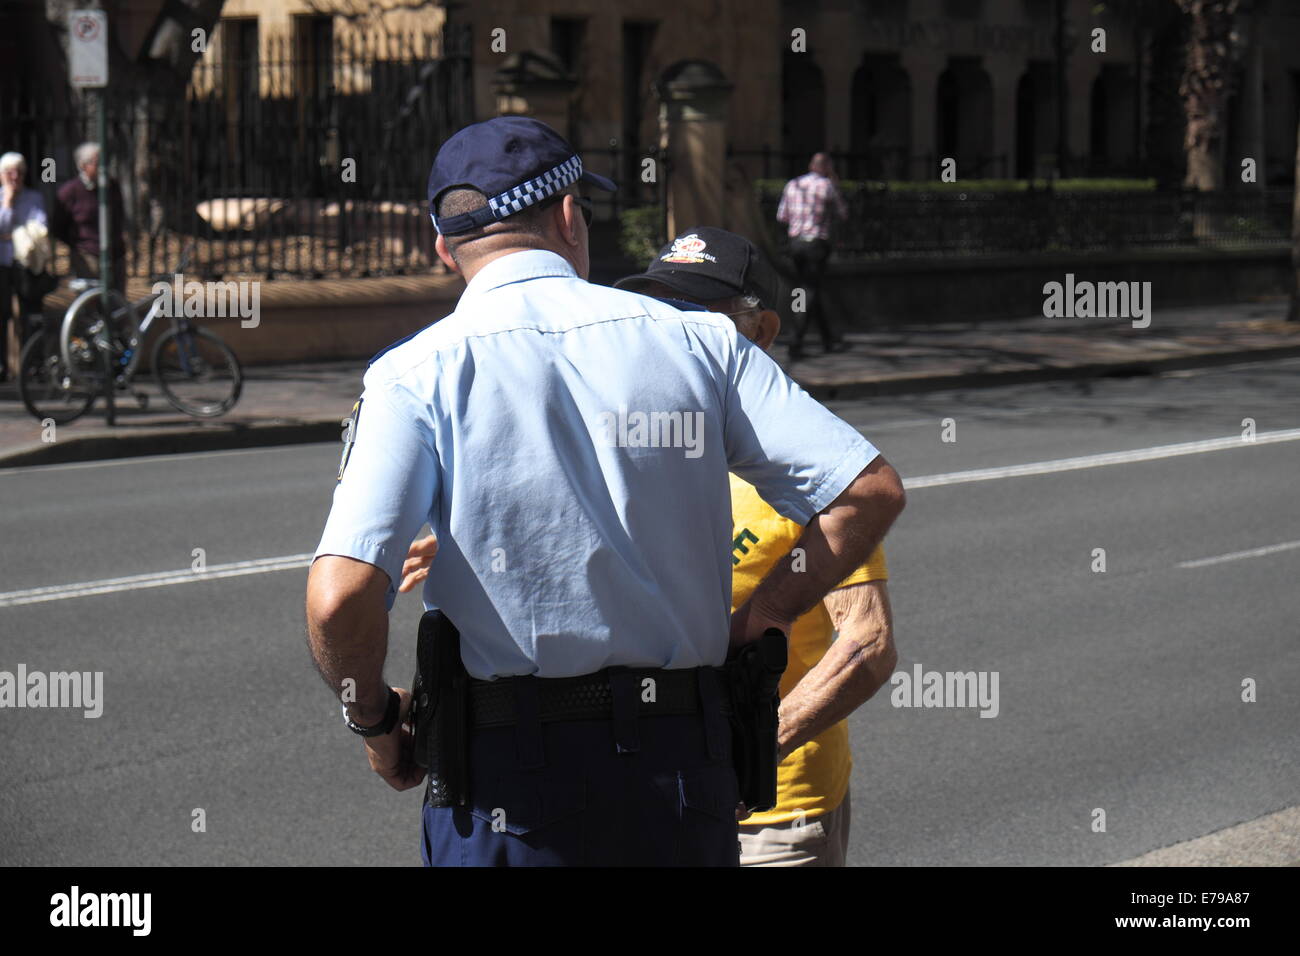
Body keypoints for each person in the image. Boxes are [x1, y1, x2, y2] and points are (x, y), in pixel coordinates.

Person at [305, 117, 905, 867]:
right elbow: (868, 492)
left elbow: (338, 597)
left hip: (505, 783)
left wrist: (374, 721)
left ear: (443, 247)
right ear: (567, 216)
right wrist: (768, 614)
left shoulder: (411, 375)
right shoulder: (701, 342)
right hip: (679, 774)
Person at [610, 227, 897, 865]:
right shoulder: (646, 442)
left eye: (694, 317)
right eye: (657, 313)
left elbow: (867, 646)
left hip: (770, 815)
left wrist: (752, 750)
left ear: (762, 331)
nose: (669, 333)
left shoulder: (806, 465)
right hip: (654, 796)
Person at [776, 152, 849, 362]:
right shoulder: (827, 185)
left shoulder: (793, 184)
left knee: (809, 288)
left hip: (796, 243)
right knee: (809, 290)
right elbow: (843, 213)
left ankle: (827, 339)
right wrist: (835, 182)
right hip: (817, 243)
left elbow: (782, 216)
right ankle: (795, 341)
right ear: (826, 167)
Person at [51, 142, 126, 295]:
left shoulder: (112, 186)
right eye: (97, 163)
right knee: (91, 301)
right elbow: (57, 226)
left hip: (116, 253)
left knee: (117, 301)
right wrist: (78, 244)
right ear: (83, 165)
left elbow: (119, 216)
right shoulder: (69, 192)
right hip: (88, 254)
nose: (102, 167)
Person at [0, 151, 48, 382]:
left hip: (25, 264)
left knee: (31, 315)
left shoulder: (34, 198)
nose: (14, 176)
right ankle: (2, 367)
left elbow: (40, 225)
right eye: (9, 172)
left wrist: (10, 233)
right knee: (3, 314)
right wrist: (8, 203)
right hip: (3, 263)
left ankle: (33, 366)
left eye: (18, 171)